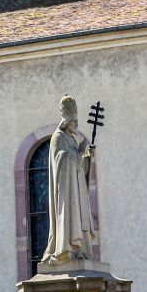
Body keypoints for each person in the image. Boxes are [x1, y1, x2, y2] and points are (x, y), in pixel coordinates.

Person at [41, 96, 96, 267]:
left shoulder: (71, 139)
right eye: (75, 121)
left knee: (80, 219)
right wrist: (78, 153)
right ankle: (67, 248)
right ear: (67, 121)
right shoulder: (58, 138)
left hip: (76, 190)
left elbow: (78, 166)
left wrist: (87, 157)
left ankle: (80, 251)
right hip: (67, 193)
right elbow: (61, 162)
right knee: (71, 217)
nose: (77, 124)